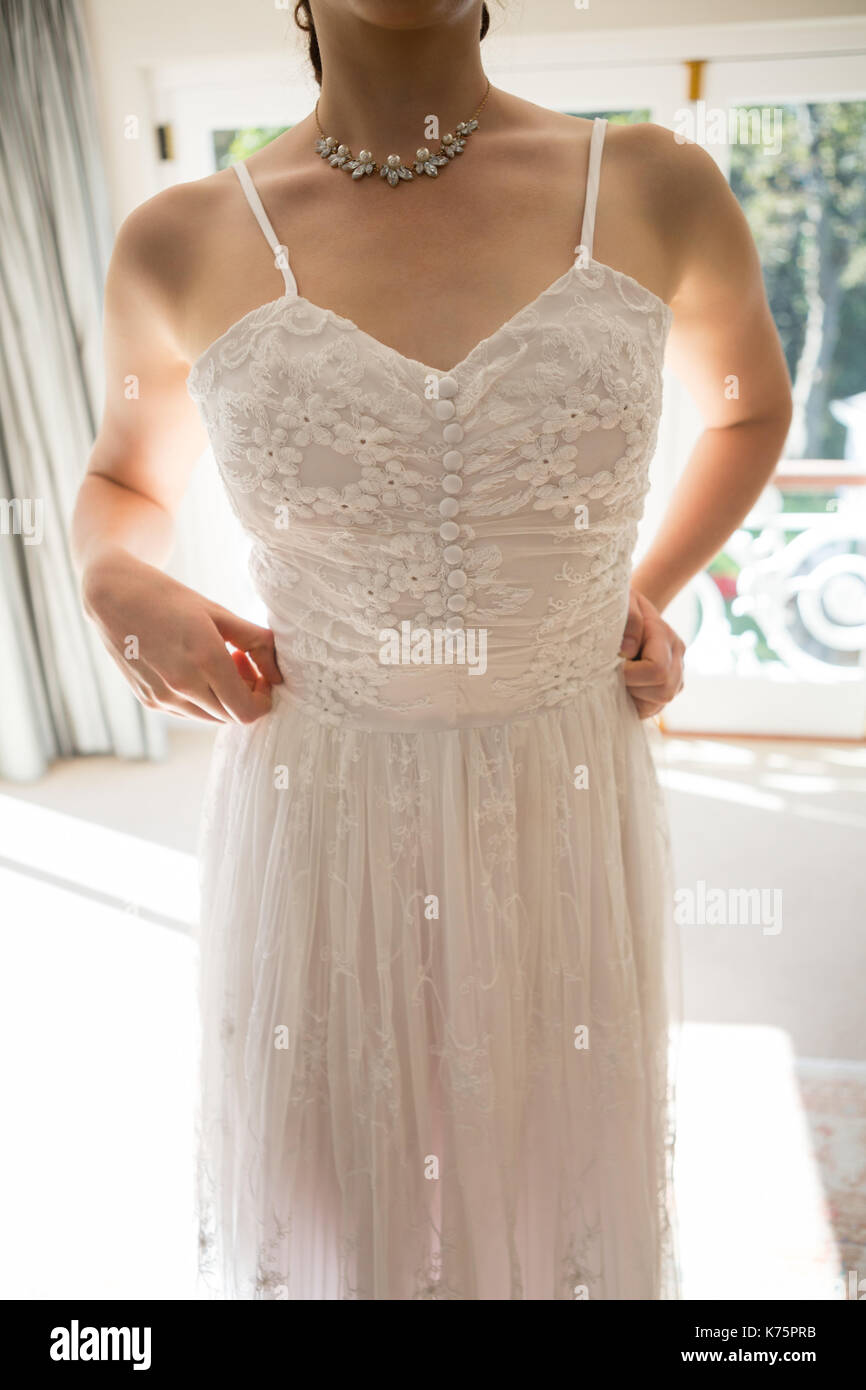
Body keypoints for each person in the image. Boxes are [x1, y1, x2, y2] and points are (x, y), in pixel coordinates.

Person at [71, 0, 792, 1299]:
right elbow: (124, 474)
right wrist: (112, 571)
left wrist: (632, 589)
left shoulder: (652, 186)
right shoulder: (177, 240)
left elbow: (747, 411)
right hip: (323, 797)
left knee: (556, 1170)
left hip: (560, 784)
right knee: (338, 1188)